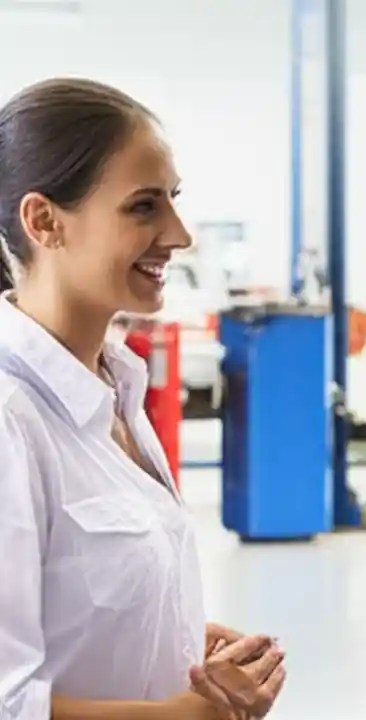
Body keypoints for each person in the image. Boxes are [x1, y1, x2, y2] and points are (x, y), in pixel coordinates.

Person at [0, 78, 287, 719]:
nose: (179, 234)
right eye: (144, 207)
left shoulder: (114, 390)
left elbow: (76, 604)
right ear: (44, 221)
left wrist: (177, 643)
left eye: (173, 201)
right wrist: (191, 715)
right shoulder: (11, 422)